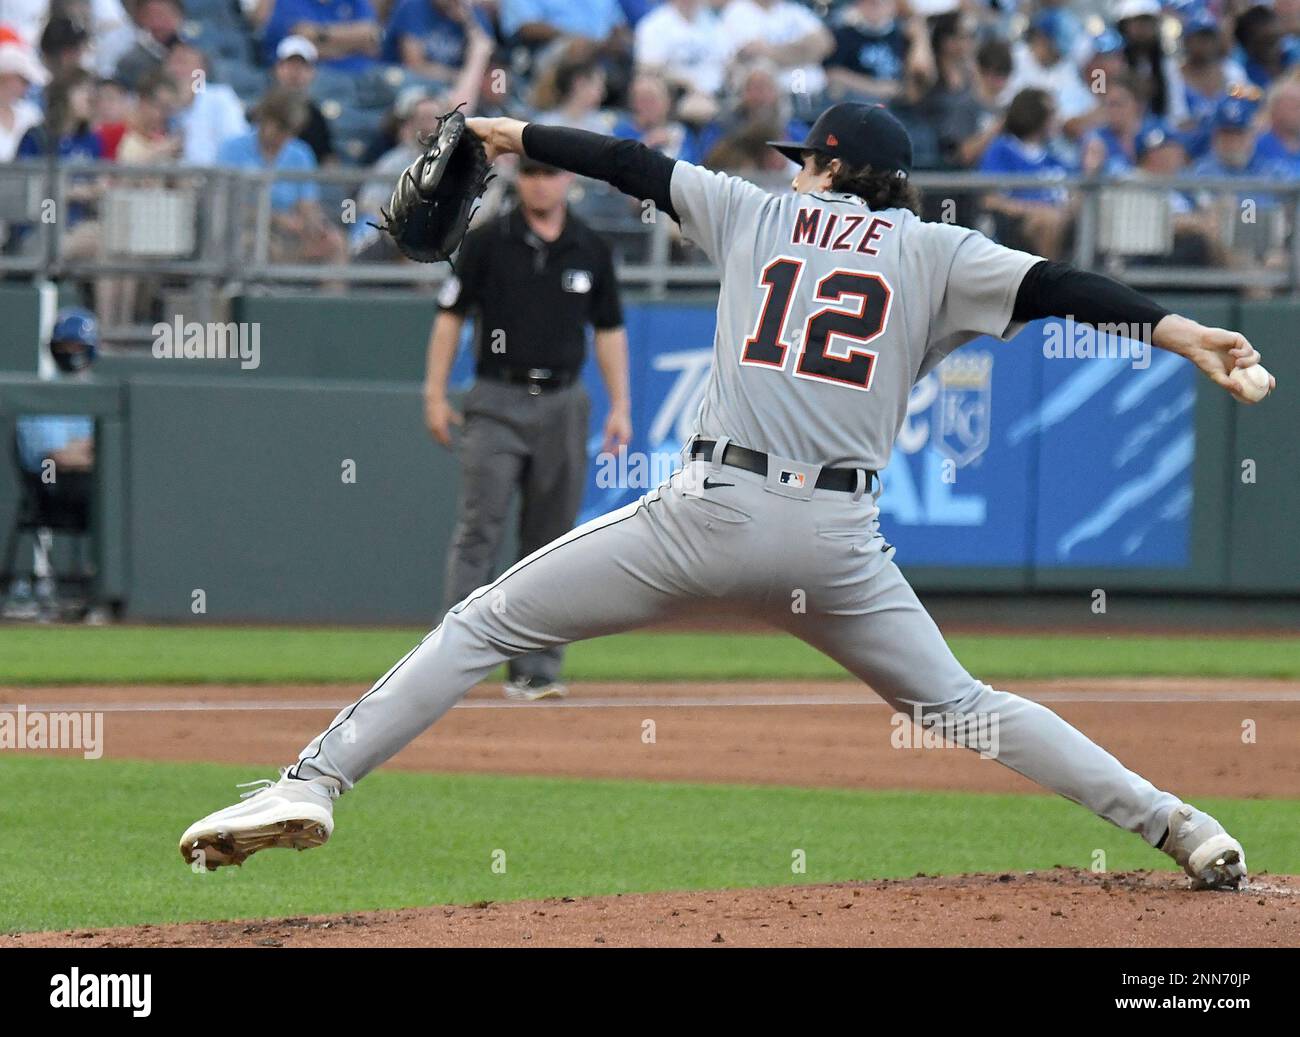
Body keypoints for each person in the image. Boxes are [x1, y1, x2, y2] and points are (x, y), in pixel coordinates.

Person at [180, 102, 1269, 896]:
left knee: (485, 620)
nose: (792, 169)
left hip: (708, 514)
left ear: (828, 168)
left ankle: (315, 780)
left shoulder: (751, 213)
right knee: (964, 706)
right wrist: (1182, 334)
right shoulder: (942, 250)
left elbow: (629, 161)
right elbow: (1066, 288)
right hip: (838, 546)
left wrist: (509, 134)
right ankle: (1178, 824)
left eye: (808, 158)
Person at [421, 155, 631, 700]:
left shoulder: (590, 245)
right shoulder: (488, 240)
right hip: (496, 398)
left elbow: (608, 330)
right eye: (533, 172)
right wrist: (435, 393)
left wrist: (620, 405)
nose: (542, 182)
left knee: (550, 544)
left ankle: (537, 668)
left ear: (570, 179)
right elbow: (451, 316)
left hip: (563, 399)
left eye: (552, 172)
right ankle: (450, 665)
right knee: (479, 530)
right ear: (519, 178)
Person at [8, 307, 99, 620]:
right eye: (65, 347)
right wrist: (84, 452)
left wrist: (84, 452)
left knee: (125, 497)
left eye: (77, 347)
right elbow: (55, 456)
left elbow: (107, 450)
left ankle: (107, 595)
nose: (71, 354)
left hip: (95, 491)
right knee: (98, 491)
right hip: (52, 492)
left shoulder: (98, 393)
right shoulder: (41, 393)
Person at [216, 87, 346, 265]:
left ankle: (331, 294)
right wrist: (276, 219)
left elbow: (307, 204)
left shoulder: (300, 153)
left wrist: (313, 225)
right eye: (279, 128)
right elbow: (225, 204)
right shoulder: (232, 149)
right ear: (264, 119)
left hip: (289, 233)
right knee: (261, 246)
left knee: (334, 242)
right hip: (243, 230)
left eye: (290, 131)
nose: (283, 137)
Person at [165, 41, 250, 167]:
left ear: (201, 69)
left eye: (183, 62)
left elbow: (236, 147)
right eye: (172, 62)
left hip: (215, 179)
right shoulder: (161, 105)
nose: (176, 70)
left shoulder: (220, 98)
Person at [271, 35, 335, 165]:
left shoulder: (317, 117)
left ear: (312, 72)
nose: (295, 73)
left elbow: (327, 158)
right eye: (290, 65)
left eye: (302, 66)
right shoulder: (263, 111)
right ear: (277, 69)